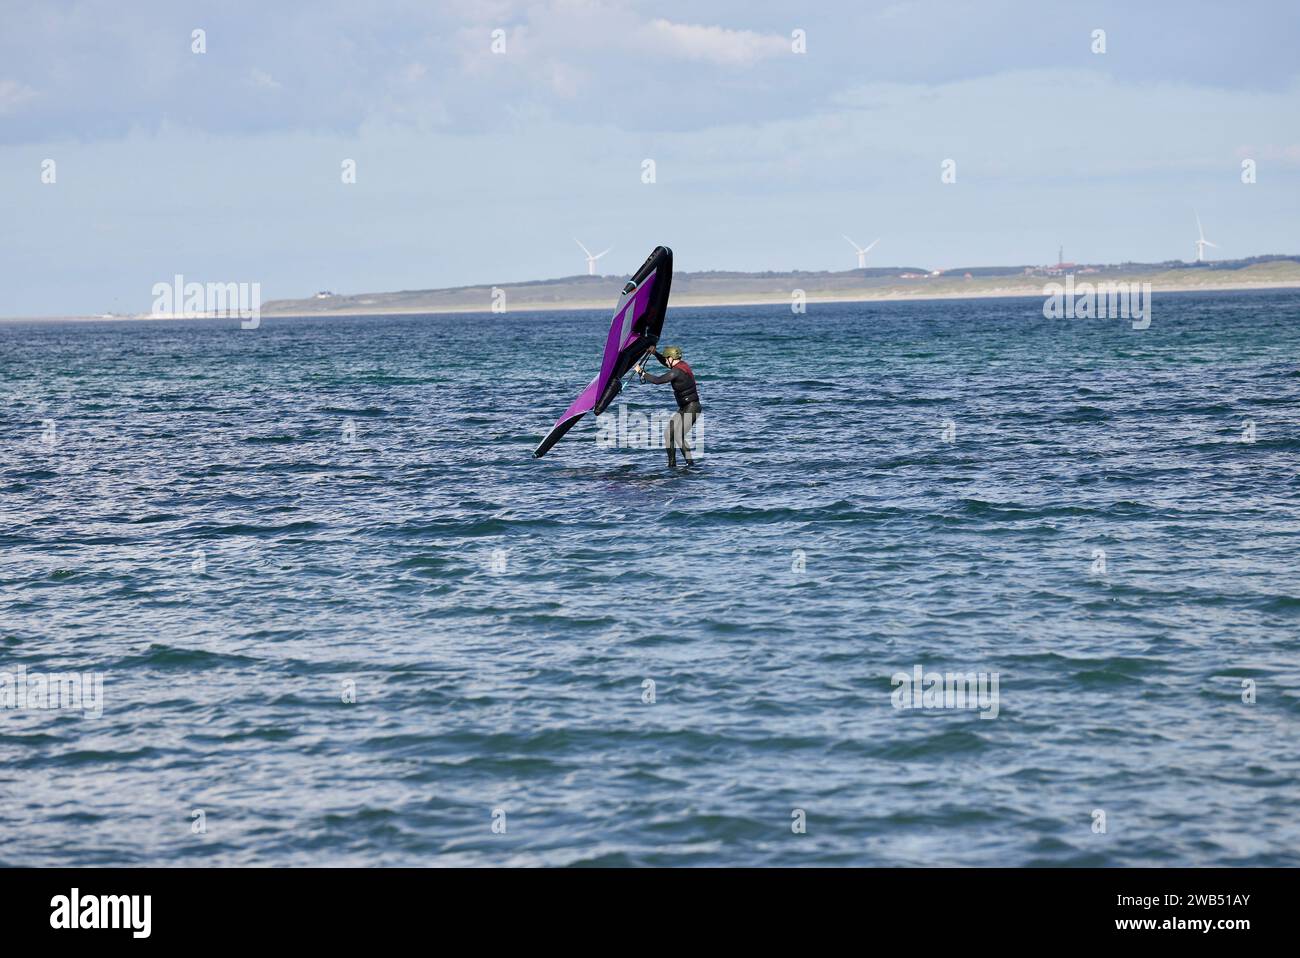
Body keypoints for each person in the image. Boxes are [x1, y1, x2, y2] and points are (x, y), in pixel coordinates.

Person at [637, 345, 702, 467]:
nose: (666, 362)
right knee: (669, 434)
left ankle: (691, 465)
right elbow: (665, 362)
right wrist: (655, 353)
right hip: (684, 408)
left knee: (678, 436)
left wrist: (641, 372)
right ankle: (672, 465)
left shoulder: (677, 372)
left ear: (671, 358)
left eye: (667, 359)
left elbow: (657, 380)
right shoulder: (680, 365)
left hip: (692, 407)